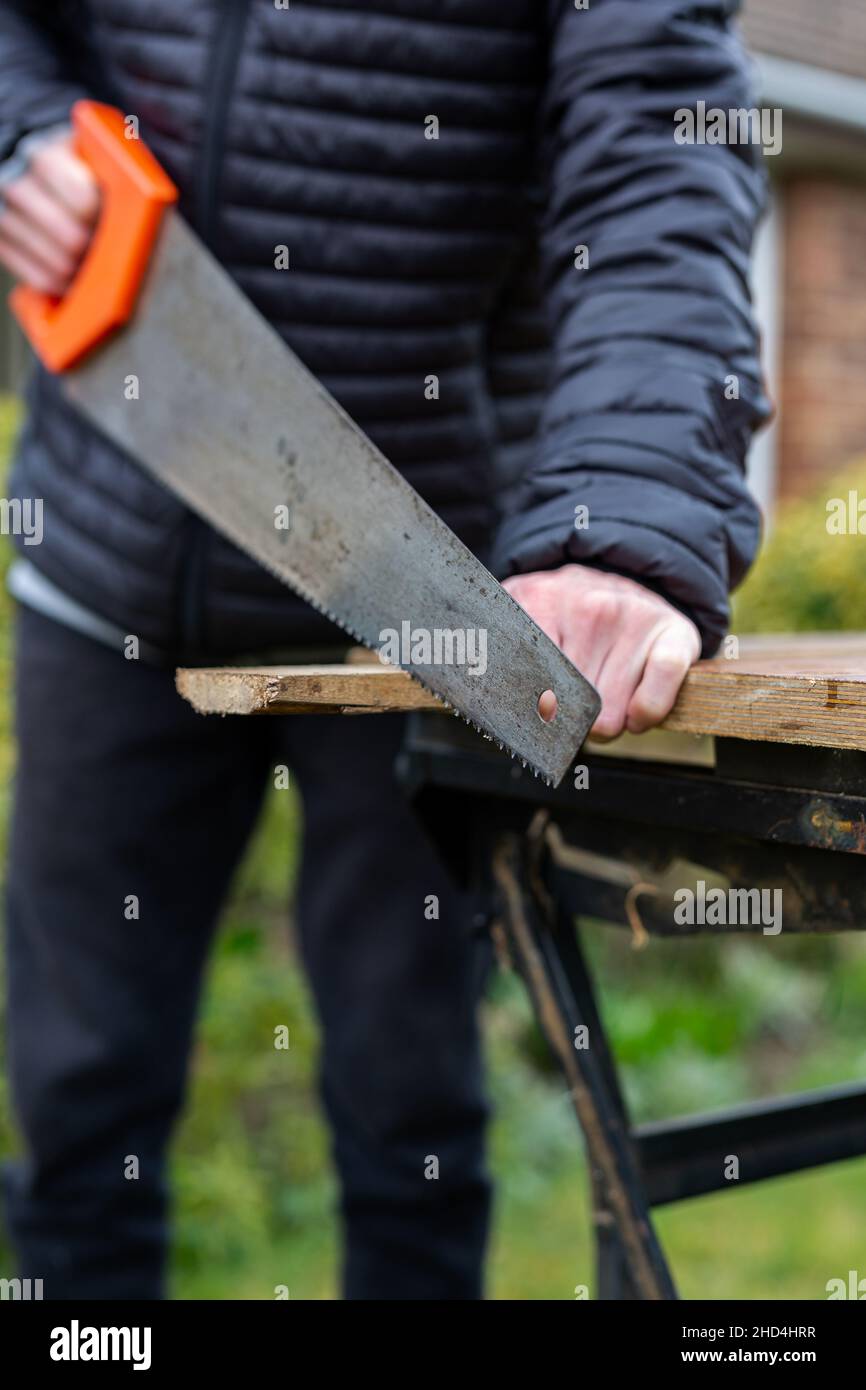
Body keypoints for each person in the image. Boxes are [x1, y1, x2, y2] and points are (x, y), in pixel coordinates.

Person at [0, 0, 769, 1299]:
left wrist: (620, 518)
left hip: (421, 593)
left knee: (406, 1101)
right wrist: (18, 131)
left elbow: (657, 143)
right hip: (107, 545)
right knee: (79, 1106)